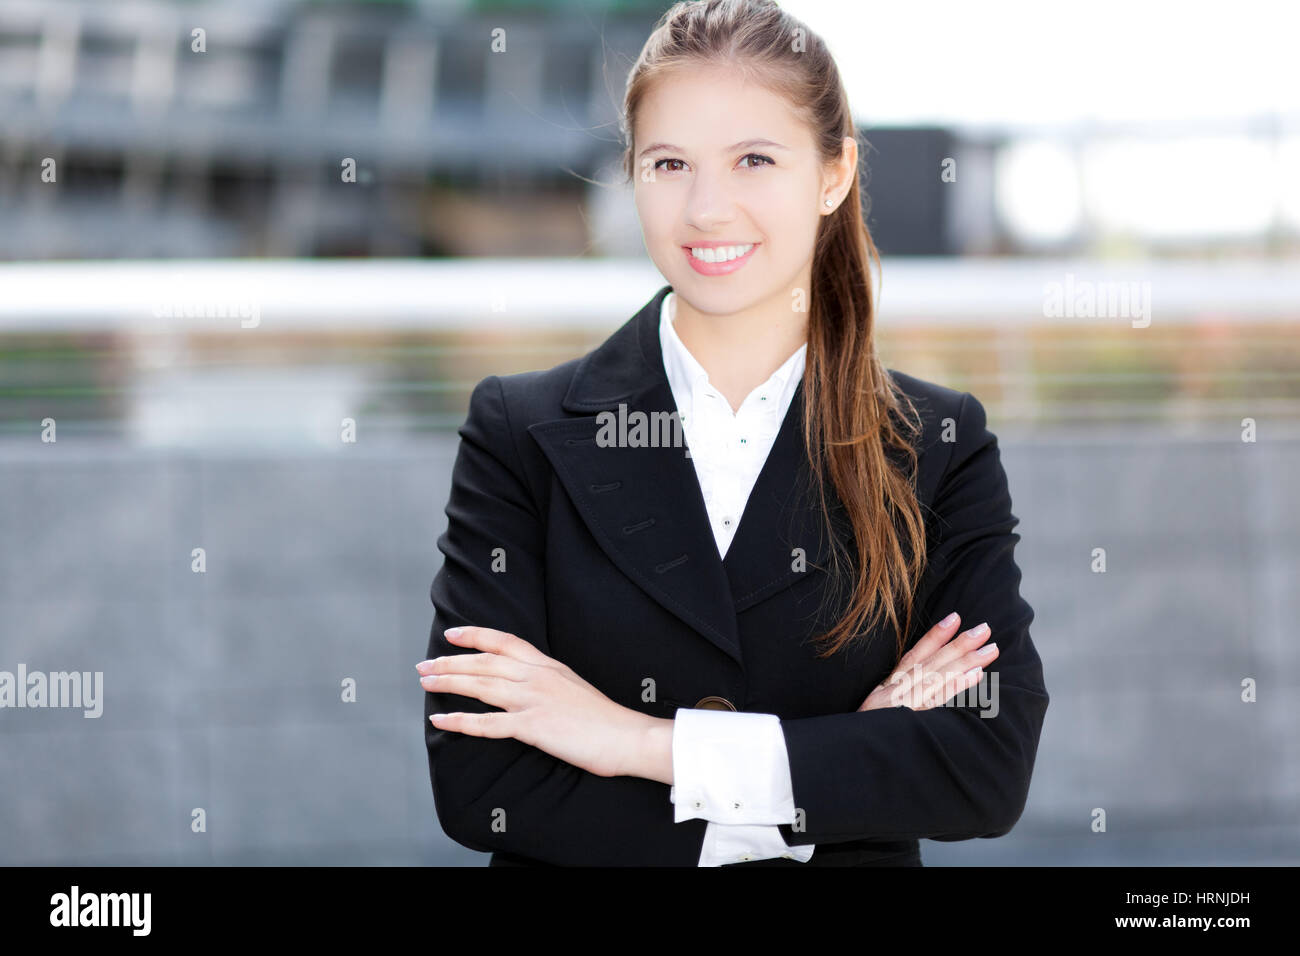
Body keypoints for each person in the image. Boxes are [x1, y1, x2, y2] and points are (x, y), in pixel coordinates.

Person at [417, 0, 1048, 866]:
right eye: (669, 162)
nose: (708, 208)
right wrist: (823, 779)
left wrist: (633, 742)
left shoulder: (937, 444)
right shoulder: (518, 433)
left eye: (755, 159)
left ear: (834, 175)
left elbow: (986, 767)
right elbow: (482, 784)